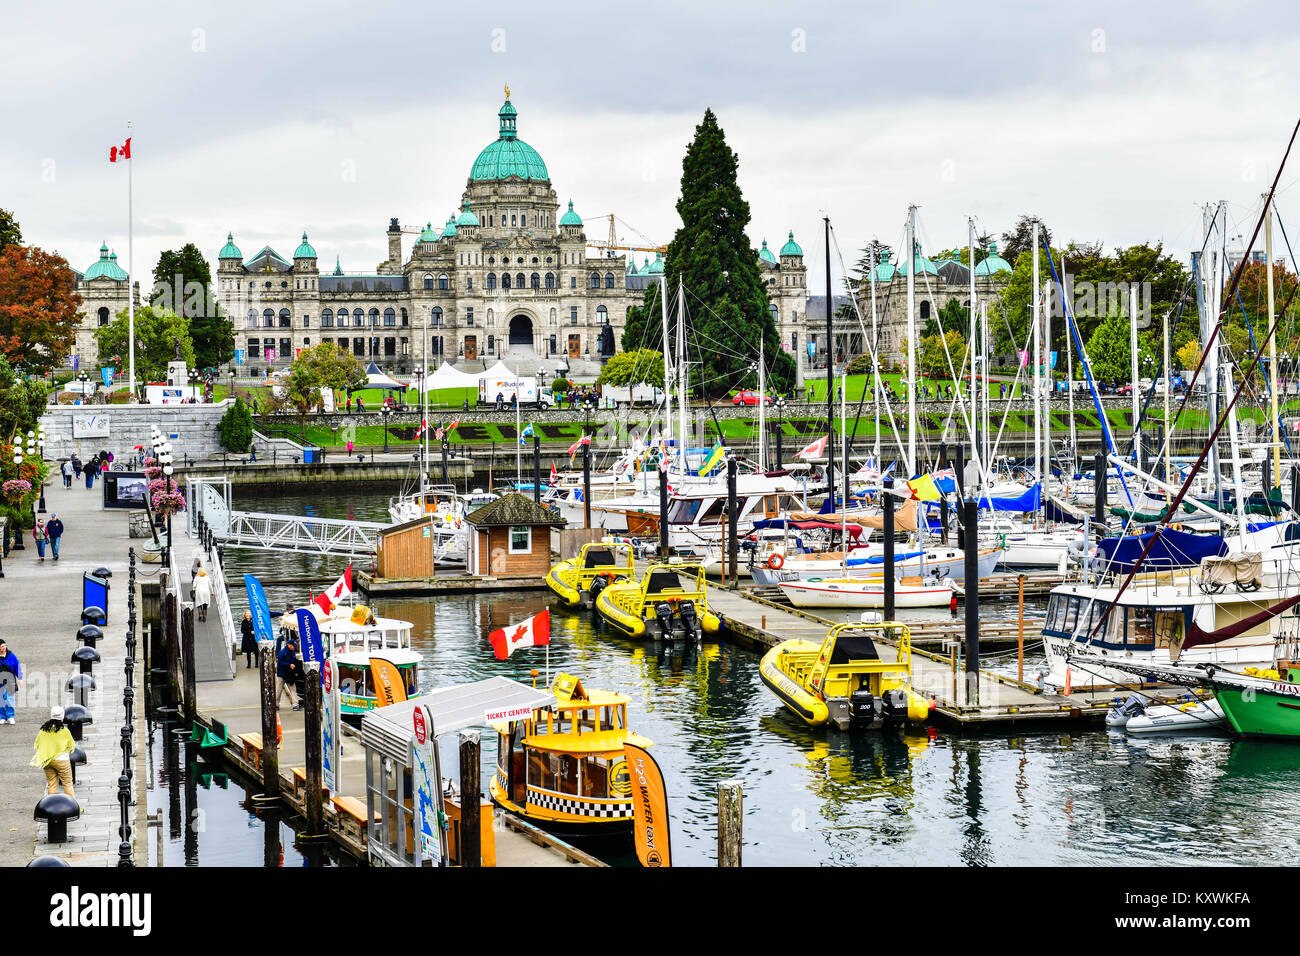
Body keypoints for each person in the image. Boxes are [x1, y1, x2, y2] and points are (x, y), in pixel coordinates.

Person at [31, 707, 76, 798]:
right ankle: (73, 807)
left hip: (47, 760)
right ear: (62, 718)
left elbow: (37, 744)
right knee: (67, 783)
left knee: (51, 784)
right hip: (62, 760)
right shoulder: (65, 731)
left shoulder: (43, 730)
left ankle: (52, 807)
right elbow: (71, 746)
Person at [0, 641, 22, 724]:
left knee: (9, 699)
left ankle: (11, 716)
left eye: (5, 646)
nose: (4, 648)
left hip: (10, 681)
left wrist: (19, 678)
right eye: (2, 646)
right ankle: (3, 717)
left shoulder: (11, 656)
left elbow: (17, 666)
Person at [276, 639, 301, 710]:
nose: (294, 647)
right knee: (279, 690)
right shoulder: (282, 652)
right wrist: (289, 665)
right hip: (282, 673)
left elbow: (294, 660)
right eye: (293, 646)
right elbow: (280, 663)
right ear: (289, 645)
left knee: (293, 689)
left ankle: (295, 705)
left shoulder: (292, 652)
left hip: (289, 674)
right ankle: (276, 704)